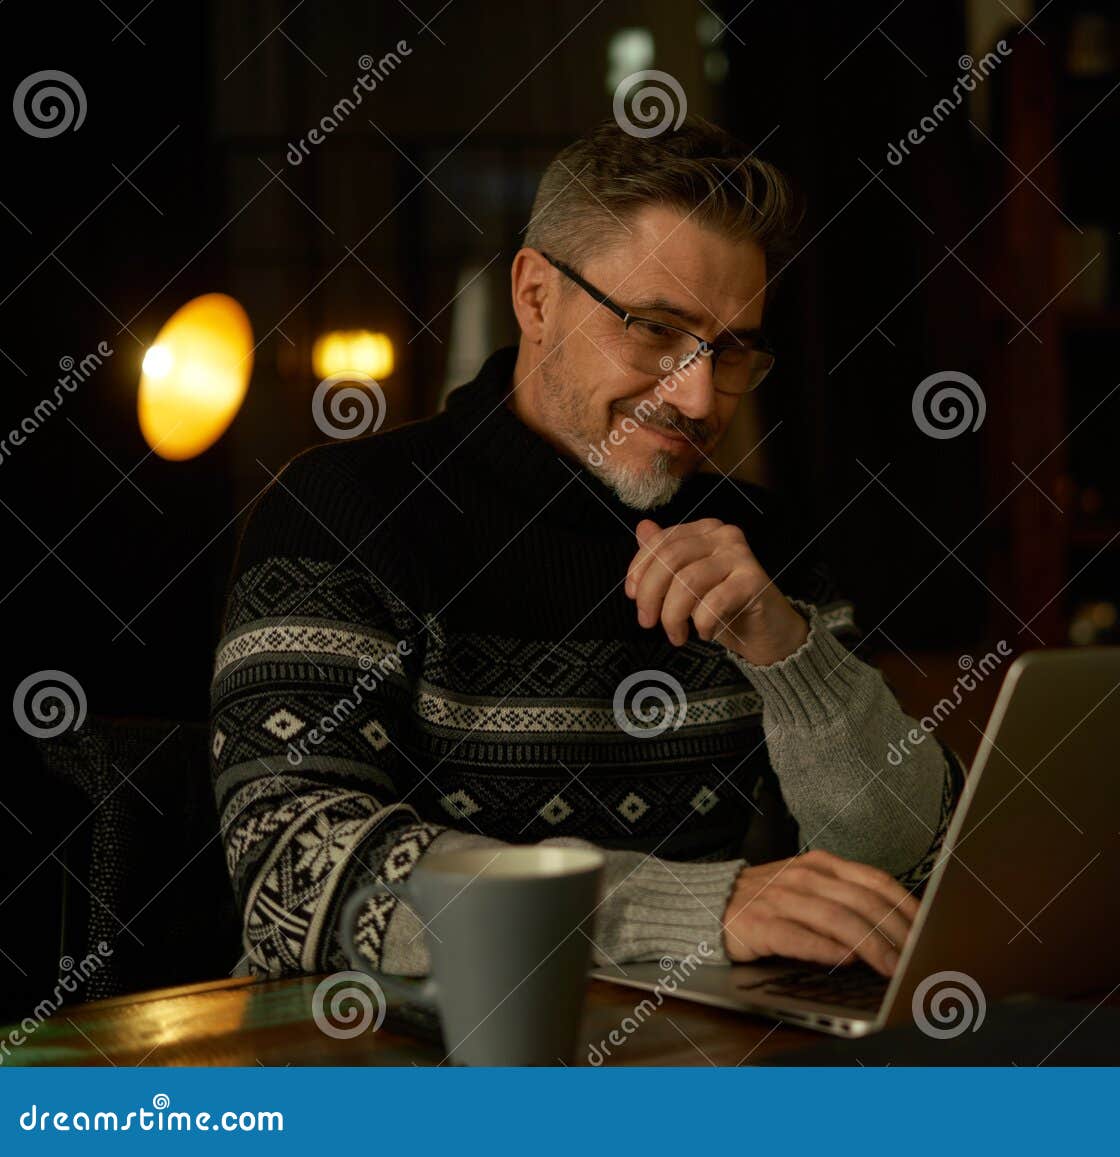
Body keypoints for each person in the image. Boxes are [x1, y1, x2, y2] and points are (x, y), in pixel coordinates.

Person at [209, 115, 961, 983]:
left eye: (730, 349)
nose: (697, 397)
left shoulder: (766, 548)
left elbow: (908, 870)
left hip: (690, 1063)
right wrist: (705, 909)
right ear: (535, 296)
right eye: (652, 328)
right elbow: (293, 877)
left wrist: (788, 652)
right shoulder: (341, 512)